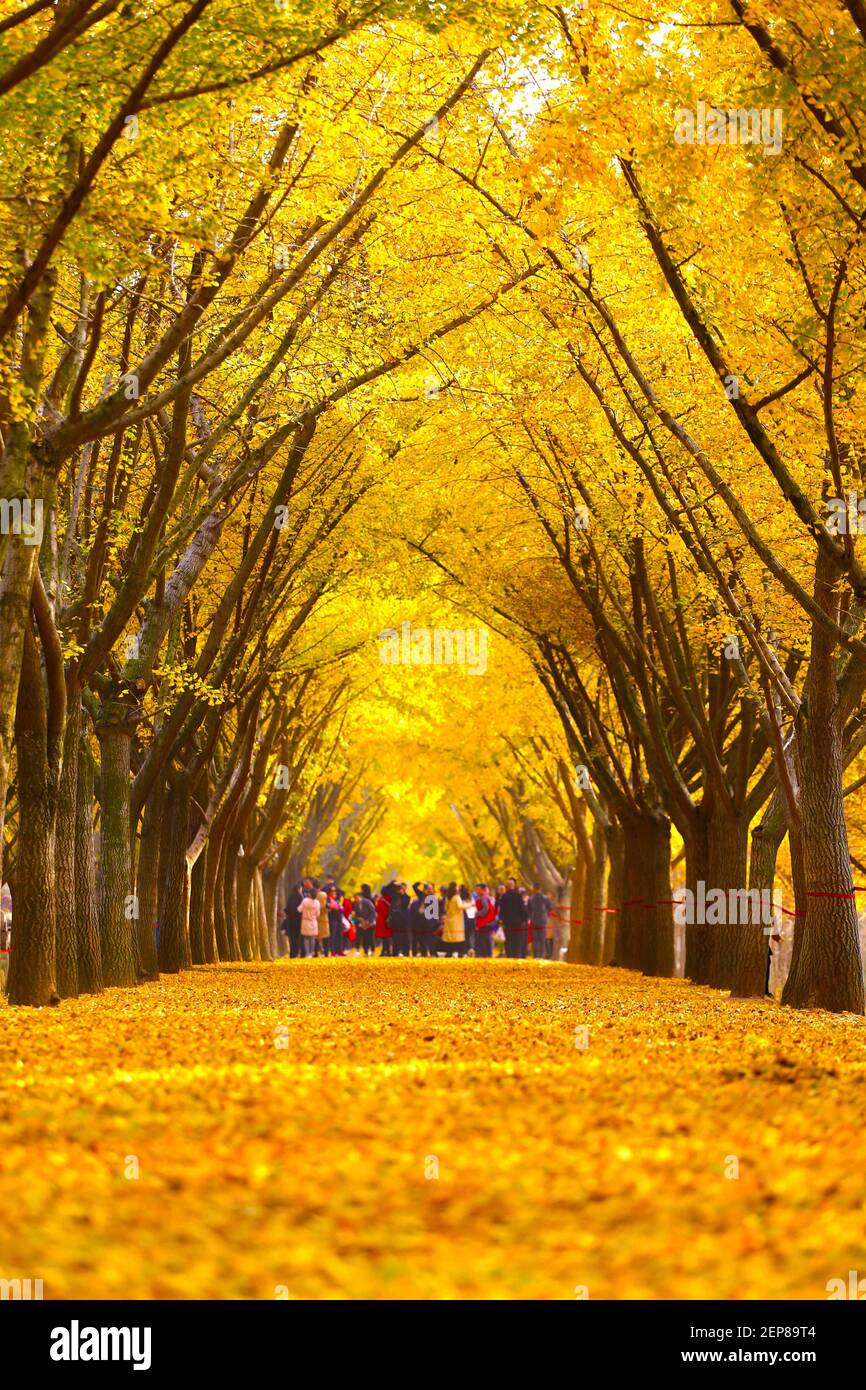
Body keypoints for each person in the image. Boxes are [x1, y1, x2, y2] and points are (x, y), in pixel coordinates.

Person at [498, 876, 528, 958]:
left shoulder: (504, 896)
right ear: (513, 886)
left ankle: (509, 954)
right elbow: (522, 908)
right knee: (517, 939)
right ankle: (516, 954)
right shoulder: (518, 895)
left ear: (507, 887)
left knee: (508, 939)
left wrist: (501, 920)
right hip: (518, 922)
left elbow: (502, 910)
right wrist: (524, 919)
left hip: (507, 922)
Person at [442, 882, 470, 957]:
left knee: (450, 938)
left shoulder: (447, 897)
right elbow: (460, 906)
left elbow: (445, 908)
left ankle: (449, 953)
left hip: (449, 919)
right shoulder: (457, 897)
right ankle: (460, 953)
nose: (458, 888)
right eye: (457, 887)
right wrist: (470, 905)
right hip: (457, 920)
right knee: (458, 937)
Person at [528, 883, 552, 961]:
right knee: (542, 938)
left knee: (535, 938)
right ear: (540, 889)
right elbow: (550, 908)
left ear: (534, 889)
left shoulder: (531, 898)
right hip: (543, 920)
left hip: (534, 920)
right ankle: (541, 955)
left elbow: (528, 909)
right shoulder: (545, 898)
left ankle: (536, 955)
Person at [282, 879, 304, 959]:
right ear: (299, 889)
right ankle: (295, 953)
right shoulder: (300, 897)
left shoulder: (290, 897)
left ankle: (292, 953)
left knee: (292, 938)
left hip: (290, 921)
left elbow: (287, 909)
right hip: (298, 921)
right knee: (297, 938)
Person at [474, 883, 496, 958]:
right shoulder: (484, 898)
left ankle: (486, 954)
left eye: (478, 889)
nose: (476, 891)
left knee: (485, 939)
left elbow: (486, 909)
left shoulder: (483, 898)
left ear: (483, 890)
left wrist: (477, 913)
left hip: (485, 922)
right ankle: (486, 954)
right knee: (485, 939)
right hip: (486, 922)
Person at [390, 882, 412, 956]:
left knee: (405, 937)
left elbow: (405, 905)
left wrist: (402, 893)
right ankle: (395, 952)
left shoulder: (407, 897)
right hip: (395, 920)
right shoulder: (394, 896)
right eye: (400, 888)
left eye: (403, 888)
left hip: (403, 920)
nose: (401, 890)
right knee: (395, 937)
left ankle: (405, 952)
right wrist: (393, 883)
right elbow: (386, 890)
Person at [355, 885, 377, 955]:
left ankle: (372, 949)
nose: (356, 899)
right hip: (362, 923)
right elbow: (355, 914)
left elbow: (373, 911)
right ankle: (365, 951)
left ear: (361, 897)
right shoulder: (356, 904)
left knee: (370, 937)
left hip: (369, 922)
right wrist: (358, 918)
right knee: (364, 937)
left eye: (357, 898)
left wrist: (369, 920)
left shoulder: (367, 902)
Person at [299, 887, 321, 957]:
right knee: (312, 938)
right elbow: (318, 914)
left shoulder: (305, 901)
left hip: (305, 921)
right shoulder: (317, 903)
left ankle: (307, 953)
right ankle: (311, 952)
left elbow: (299, 909)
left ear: (309, 894)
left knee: (306, 938)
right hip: (313, 922)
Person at [327, 884, 345, 957]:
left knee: (339, 935)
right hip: (332, 919)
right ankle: (333, 950)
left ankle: (340, 949)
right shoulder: (328, 900)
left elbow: (342, 909)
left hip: (339, 919)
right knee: (333, 935)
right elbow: (328, 909)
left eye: (335, 891)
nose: (333, 893)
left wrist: (339, 907)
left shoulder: (338, 900)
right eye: (332, 891)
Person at [375, 889, 392, 956]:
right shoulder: (391, 899)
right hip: (389, 920)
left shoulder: (381, 900)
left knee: (384, 937)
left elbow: (378, 910)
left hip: (382, 920)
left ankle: (385, 950)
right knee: (388, 937)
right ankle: (387, 950)